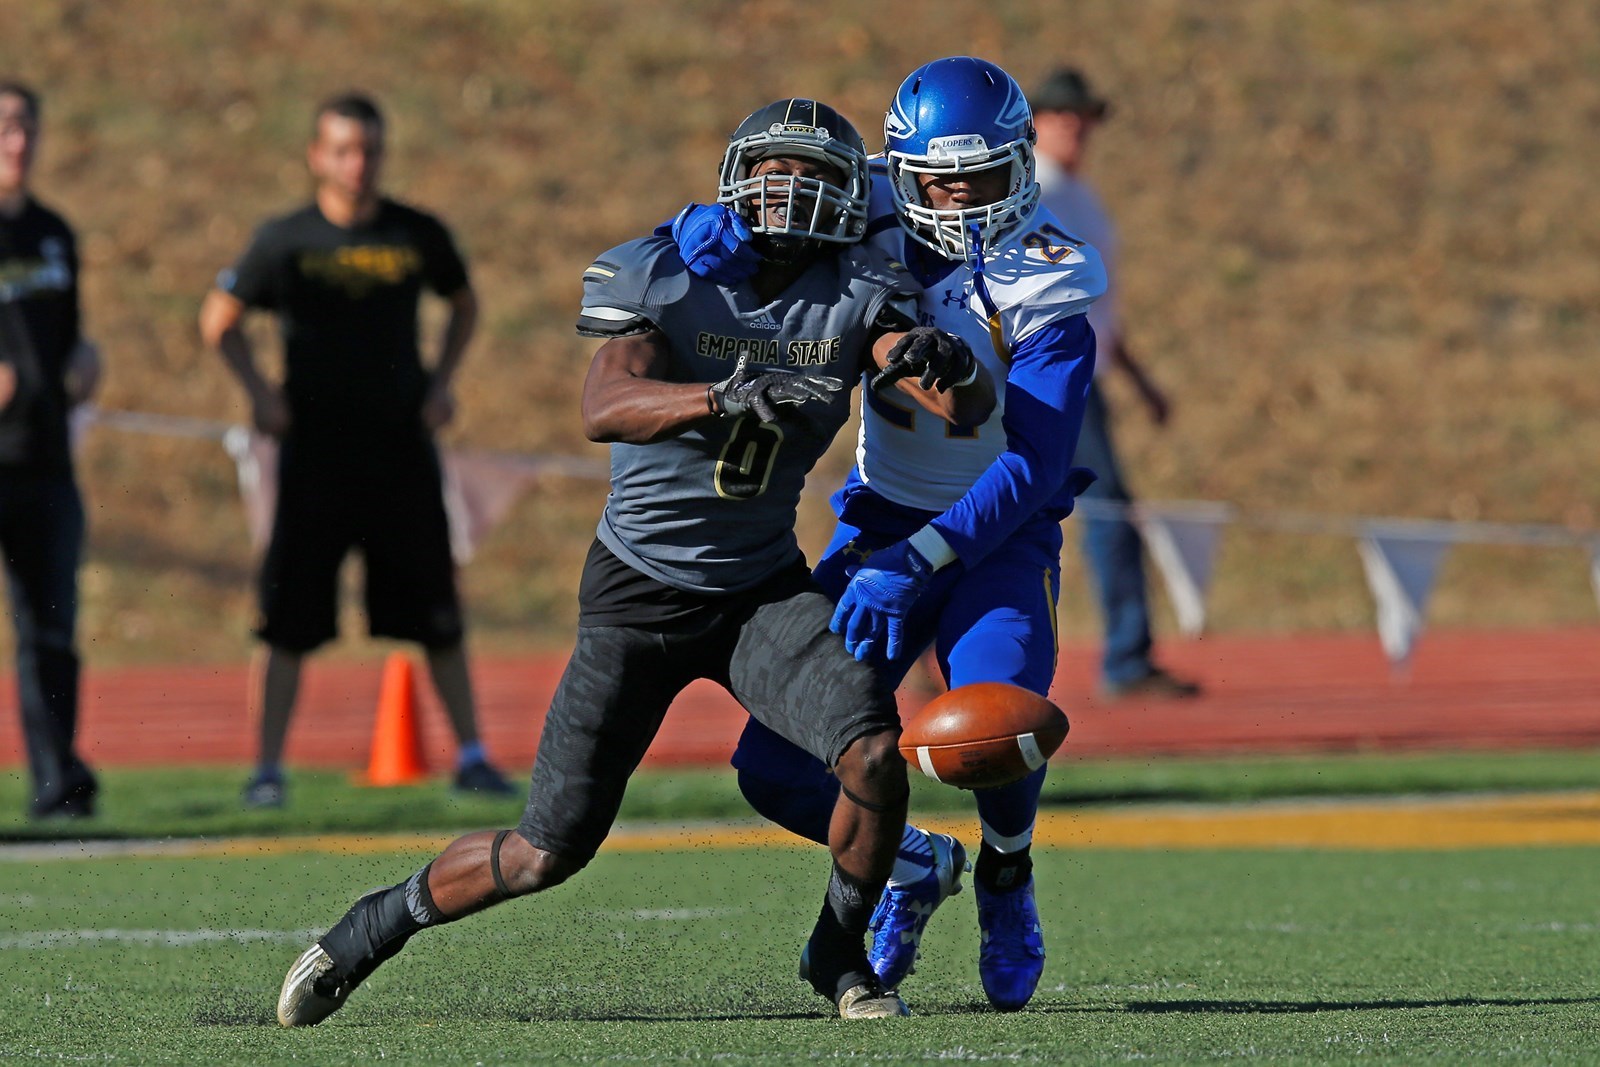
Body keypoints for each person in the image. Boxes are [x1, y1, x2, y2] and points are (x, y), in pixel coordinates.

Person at [273, 98, 991, 1025]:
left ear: (850, 195)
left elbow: (947, 398)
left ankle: (840, 956)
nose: (791, 191)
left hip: (758, 589)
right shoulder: (672, 268)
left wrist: (944, 361)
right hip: (638, 591)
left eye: (813, 175)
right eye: (775, 169)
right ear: (737, 176)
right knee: (546, 849)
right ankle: (372, 924)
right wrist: (725, 395)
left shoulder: (858, 284)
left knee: (875, 755)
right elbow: (606, 403)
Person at [668, 57, 1106, 1011]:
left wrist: (925, 556)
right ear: (899, 171)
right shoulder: (859, 199)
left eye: (984, 176)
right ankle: (913, 864)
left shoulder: (1049, 272)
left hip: (996, 537)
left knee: (996, 722)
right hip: (881, 523)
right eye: (941, 179)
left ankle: (1006, 871)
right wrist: (695, 231)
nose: (961, 200)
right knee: (773, 767)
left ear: (1022, 166)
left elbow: (1032, 464)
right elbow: (748, 202)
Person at [199, 92, 513, 808]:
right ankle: (267, 769)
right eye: (342, 149)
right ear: (316, 156)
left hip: (400, 450)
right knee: (286, 614)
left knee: (436, 608)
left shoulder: (415, 234)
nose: (357, 164)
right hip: (314, 458)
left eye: (368, 149)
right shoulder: (286, 240)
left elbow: (464, 304)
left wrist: (441, 384)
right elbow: (218, 320)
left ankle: (471, 754)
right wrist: (258, 393)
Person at [1030, 67, 1200, 701]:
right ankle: (1127, 658)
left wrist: (1139, 378)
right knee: (1107, 514)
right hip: (1051, 376)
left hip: (1087, 375)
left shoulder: (1080, 194)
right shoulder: (1034, 192)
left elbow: (1097, 303)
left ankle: (917, 645)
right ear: (1036, 123)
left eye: (1085, 118)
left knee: (1055, 513)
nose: (1078, 129)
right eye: (1063, 117)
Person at [0, 81, 101, 819]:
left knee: (51, 627)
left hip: (44, 462)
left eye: (27, 126)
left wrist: (84, 360)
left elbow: (67, 335)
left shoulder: (54, 233)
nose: (18, 141)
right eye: (4, 127)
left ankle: (54, 778)